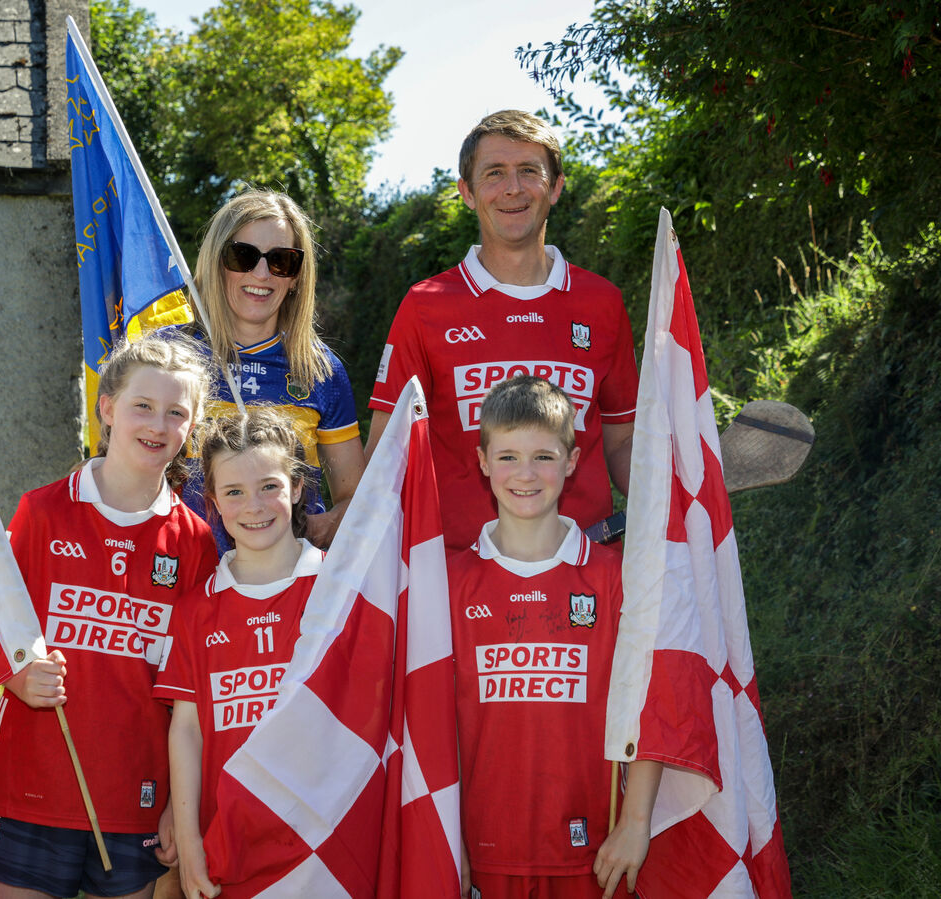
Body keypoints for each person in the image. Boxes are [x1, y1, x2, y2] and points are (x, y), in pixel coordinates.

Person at [0, 333, 219, 899]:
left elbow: (194, 690)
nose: (157, 425)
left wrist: (177, 808)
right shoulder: (41, 512)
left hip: (137, 795)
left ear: (192, 428)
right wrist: (15, 672)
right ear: (107, 407)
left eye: (176, 413)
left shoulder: (196, 542)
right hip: (32, 786)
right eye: (142, 405)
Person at [366, 110, 638, 552]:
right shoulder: (425, 304)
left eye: (529, 171)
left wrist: (673, 499)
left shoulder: (602, 302)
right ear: (467, 193)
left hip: (585, 571)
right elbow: (384, 456)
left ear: (556, 187)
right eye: (494, 173)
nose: (513, 188)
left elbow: (622, 440)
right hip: (462, 578)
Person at [447, 376, 662, 899]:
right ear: (481, 461)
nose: (525, 474)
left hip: (599, 850)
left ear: (572, 461)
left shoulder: (615, 578)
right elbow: (429, 726)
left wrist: (635, 824)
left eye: (544, 456)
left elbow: (651, 705)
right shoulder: (449, 583)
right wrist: (444, 839)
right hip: (482, 850)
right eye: (508, 456)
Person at [153, 408, 324, 899]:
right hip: (229, 842)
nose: (254, 505)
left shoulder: (342, 589)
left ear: (295, 487)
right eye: (234, 492)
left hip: (327, 837)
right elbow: (185, 729)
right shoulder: (196, 608)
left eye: (269, 486)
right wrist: (189, 842)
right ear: (213, 505)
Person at [166, 188, 364, 549]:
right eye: (243, 256)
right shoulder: (166, 357)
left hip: (286, 591)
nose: (261, 273)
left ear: (296, 277)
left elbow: (355, 499)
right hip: (180, 582)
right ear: (215, 261)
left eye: (282, 260)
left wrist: (322, 528)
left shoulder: (322, 371)